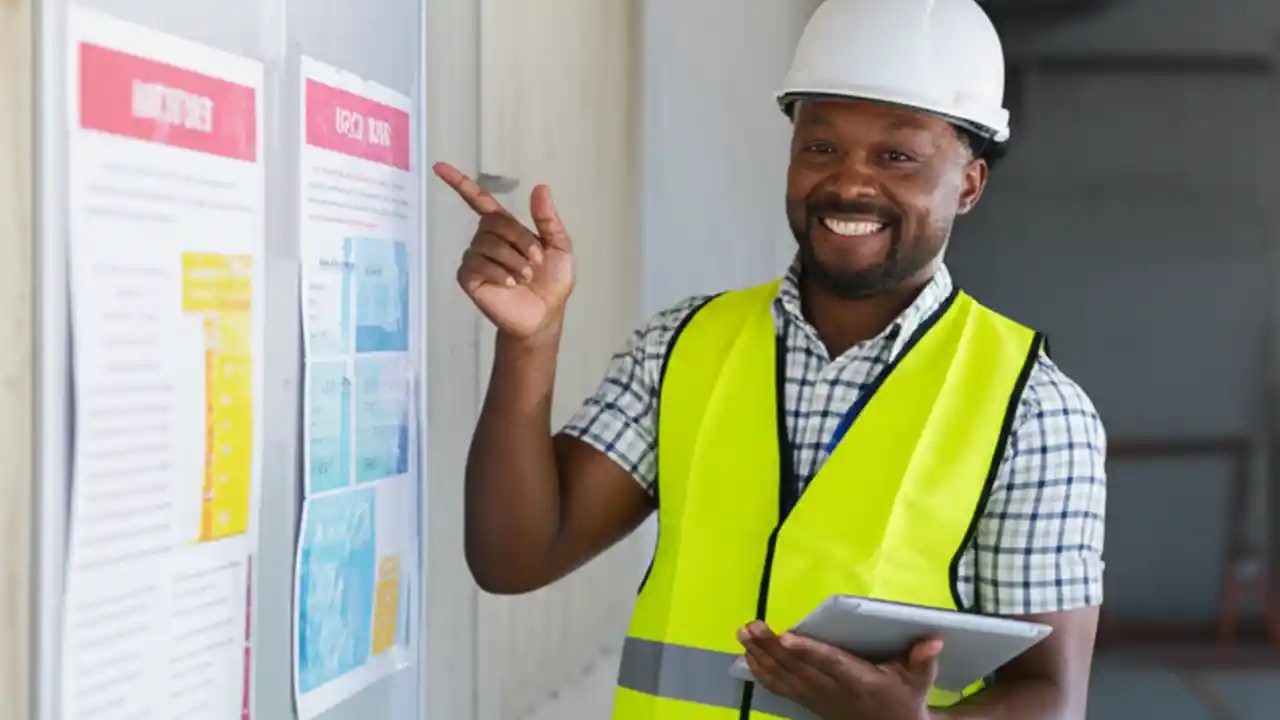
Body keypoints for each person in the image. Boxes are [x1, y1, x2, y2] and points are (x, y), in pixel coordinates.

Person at [433, 0, 1105, 716]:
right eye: (821, 147)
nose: (849, 182)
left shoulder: (1032, 407)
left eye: (897, 156)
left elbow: (1049, 696)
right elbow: (515, 557)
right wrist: (530, 343)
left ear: (968, 184)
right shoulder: (684, 345)